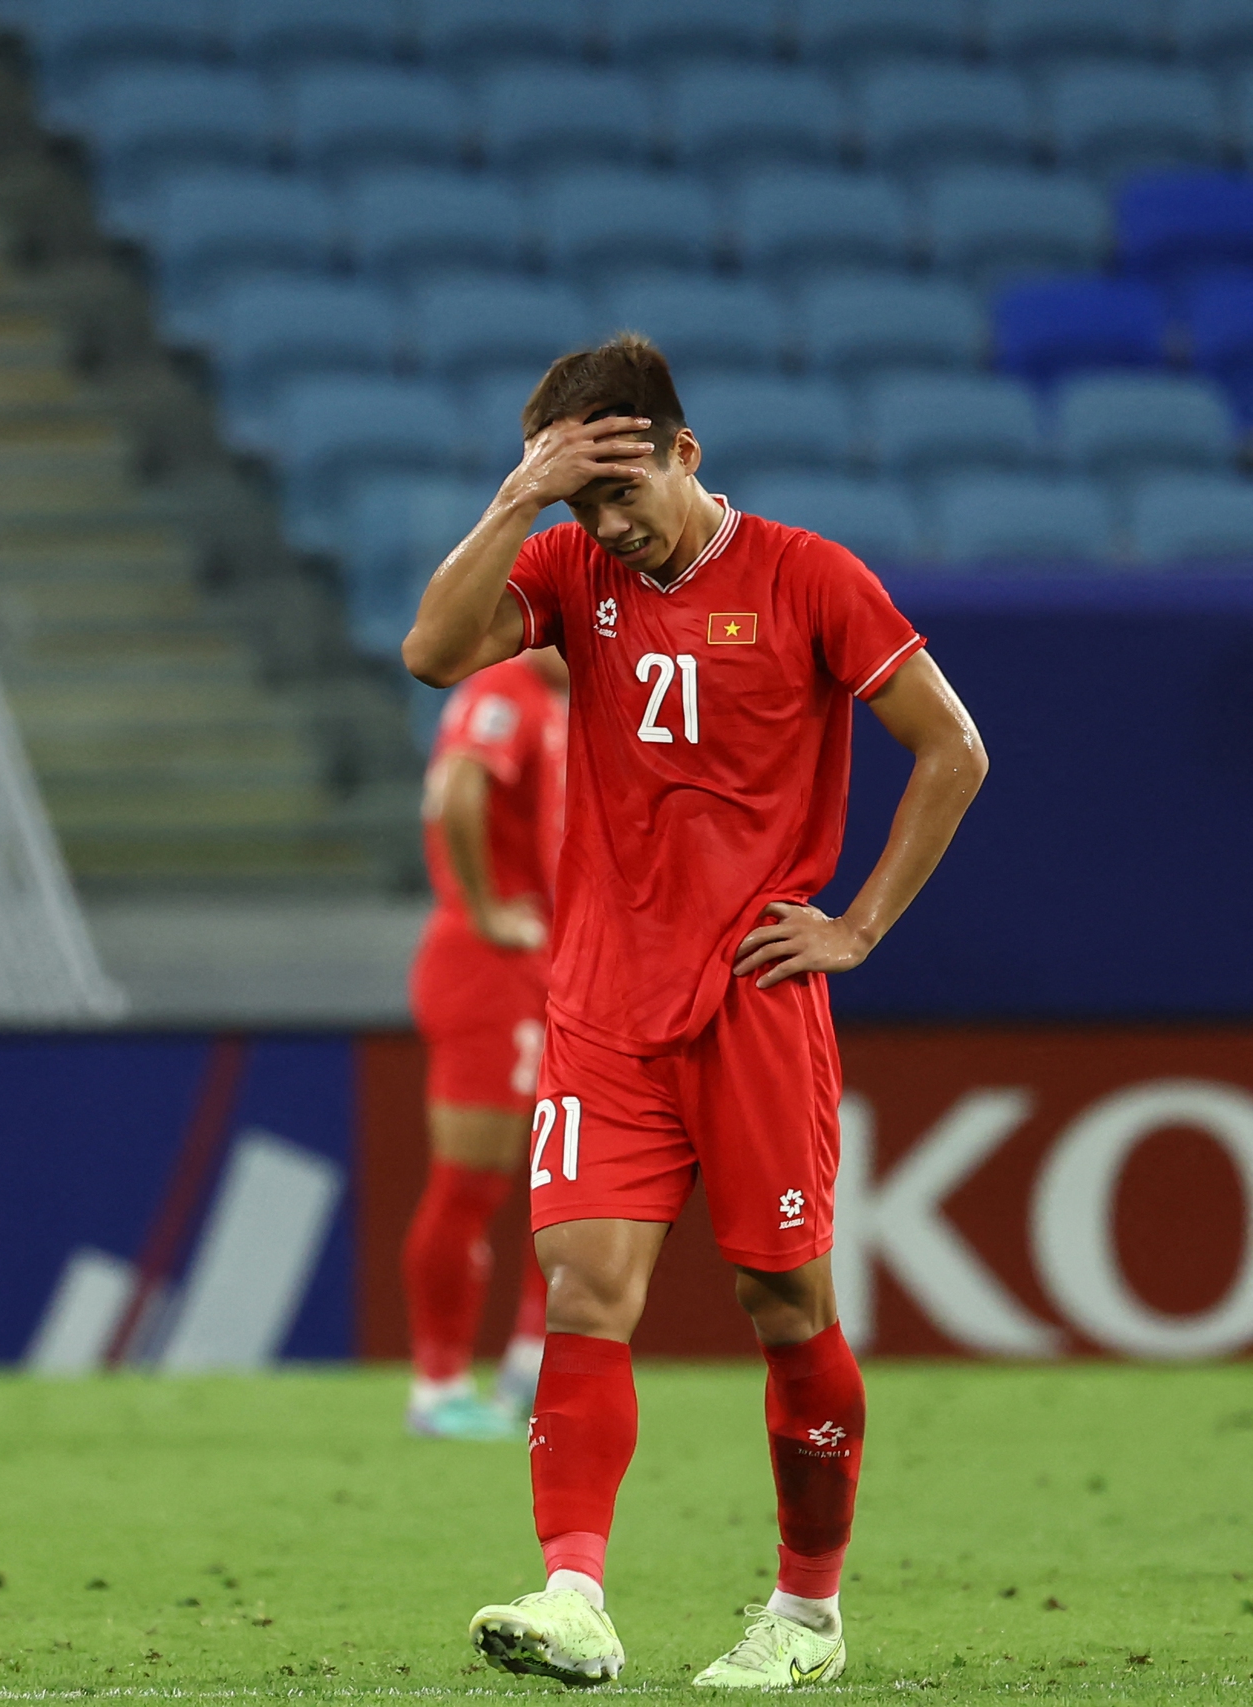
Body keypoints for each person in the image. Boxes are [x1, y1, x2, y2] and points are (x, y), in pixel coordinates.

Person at [400, 335, 987, 1690]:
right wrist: (516, 501)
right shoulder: (567, 567)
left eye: (624, 491)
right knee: (583, 1291)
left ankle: (806, 1613)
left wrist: (857, 925)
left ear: (687, 453)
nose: (608, 524)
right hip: (603, 1001)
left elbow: (953, 746)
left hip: (755, 1001)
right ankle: (575, 1592)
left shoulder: (809, 576)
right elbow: (434, 651)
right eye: (582, 499)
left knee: (785, 1305)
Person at [401, 645, 567, 1439]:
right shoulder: (504, 690)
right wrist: (486, 906)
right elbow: (456, 788)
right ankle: (437, 1386)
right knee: (472, 1181)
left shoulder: (573, 702)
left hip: (548, 962)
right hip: (486, 963)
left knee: (561, 1175)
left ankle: (534, 1363)